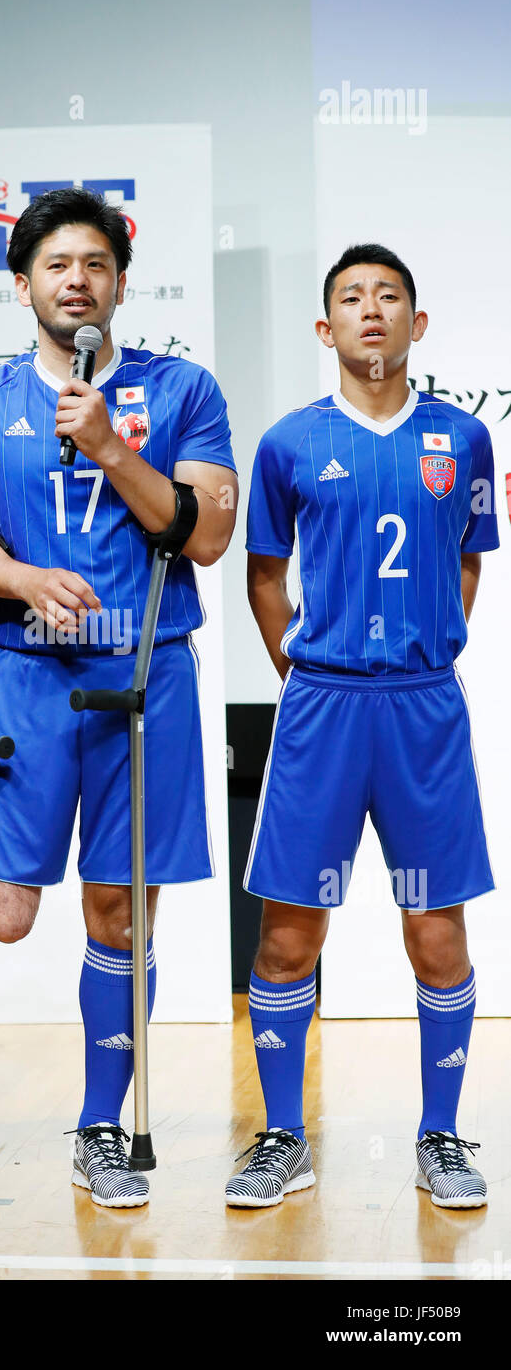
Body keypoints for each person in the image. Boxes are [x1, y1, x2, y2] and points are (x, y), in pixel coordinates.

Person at [0, 187, 237, 1207]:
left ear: (118, 281)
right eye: (57, 265)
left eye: (94, 265)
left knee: (118, 912)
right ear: (22, 284)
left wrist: (112, 446)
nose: (77, 280)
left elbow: (201, 536)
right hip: (27, 676)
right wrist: (18, 580)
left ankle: (100, 1123)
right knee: (5, 917)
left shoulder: (182, 389)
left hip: (142, 677)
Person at [227, 244, 497, 1210]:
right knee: (289, 936)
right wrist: (305, 675)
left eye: (389, 298)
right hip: (324, 709)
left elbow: (470, 559)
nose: (370, 311)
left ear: (417, 325)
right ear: (324, 329)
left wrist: (432, 644)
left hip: (424, 709)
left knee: (436, 933)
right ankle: (282, 1137)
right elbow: (264, 577)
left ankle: (440, 1135)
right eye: (350, 298)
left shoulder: (462, 440)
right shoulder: (290, 444)